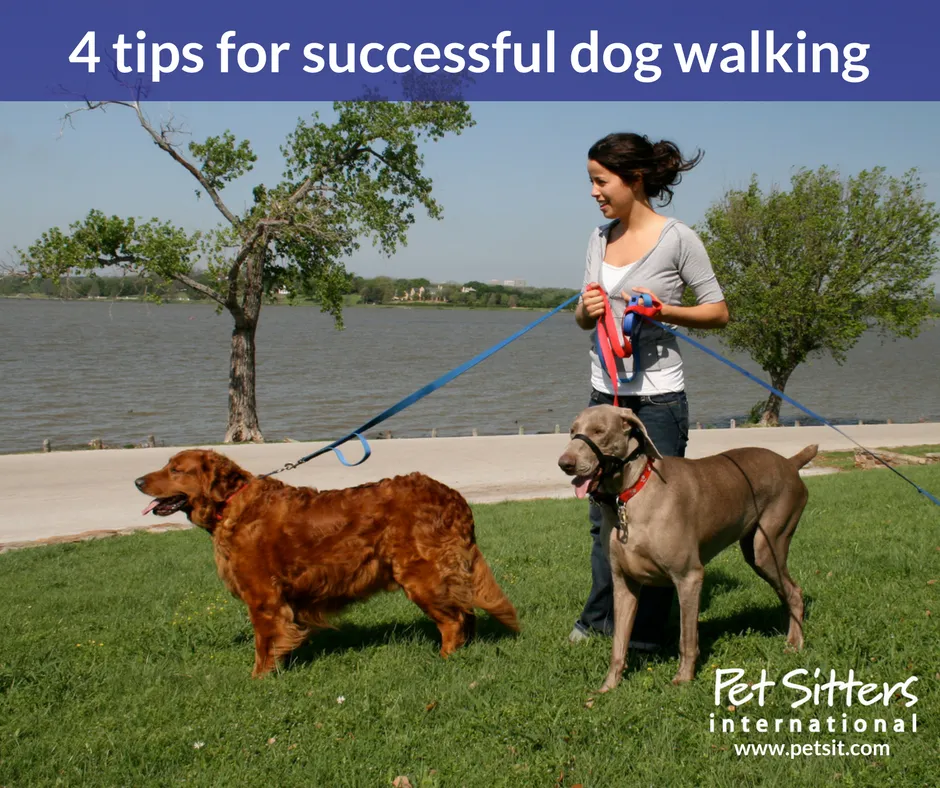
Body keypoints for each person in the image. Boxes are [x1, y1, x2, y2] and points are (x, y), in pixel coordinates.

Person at [569, 132, 730, 650]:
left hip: (658, 399)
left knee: (660, 522)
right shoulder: (599, 238)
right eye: (591, 181)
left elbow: (718, 311)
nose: (594, 191)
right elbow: (582, 313)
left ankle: (649, 639)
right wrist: (583, 311)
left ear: (634, 179)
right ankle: (599, 622)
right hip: (605, 397)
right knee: (604, 519)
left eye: (601, 181)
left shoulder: (678, 238)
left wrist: (664, 311)